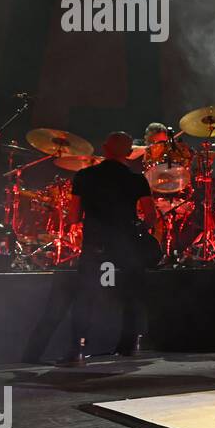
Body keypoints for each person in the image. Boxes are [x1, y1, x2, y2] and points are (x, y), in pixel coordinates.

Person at [59, 132, 156, 366]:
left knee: (86, 297)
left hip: (96, 245)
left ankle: (78, 350)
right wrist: (137, 228)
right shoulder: (137, 180)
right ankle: (130, 345)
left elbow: (73, 216)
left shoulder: (84, 176)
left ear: (104, 147)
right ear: (129, 153)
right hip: (126, 246)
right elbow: (150, 216)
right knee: (132, 294)